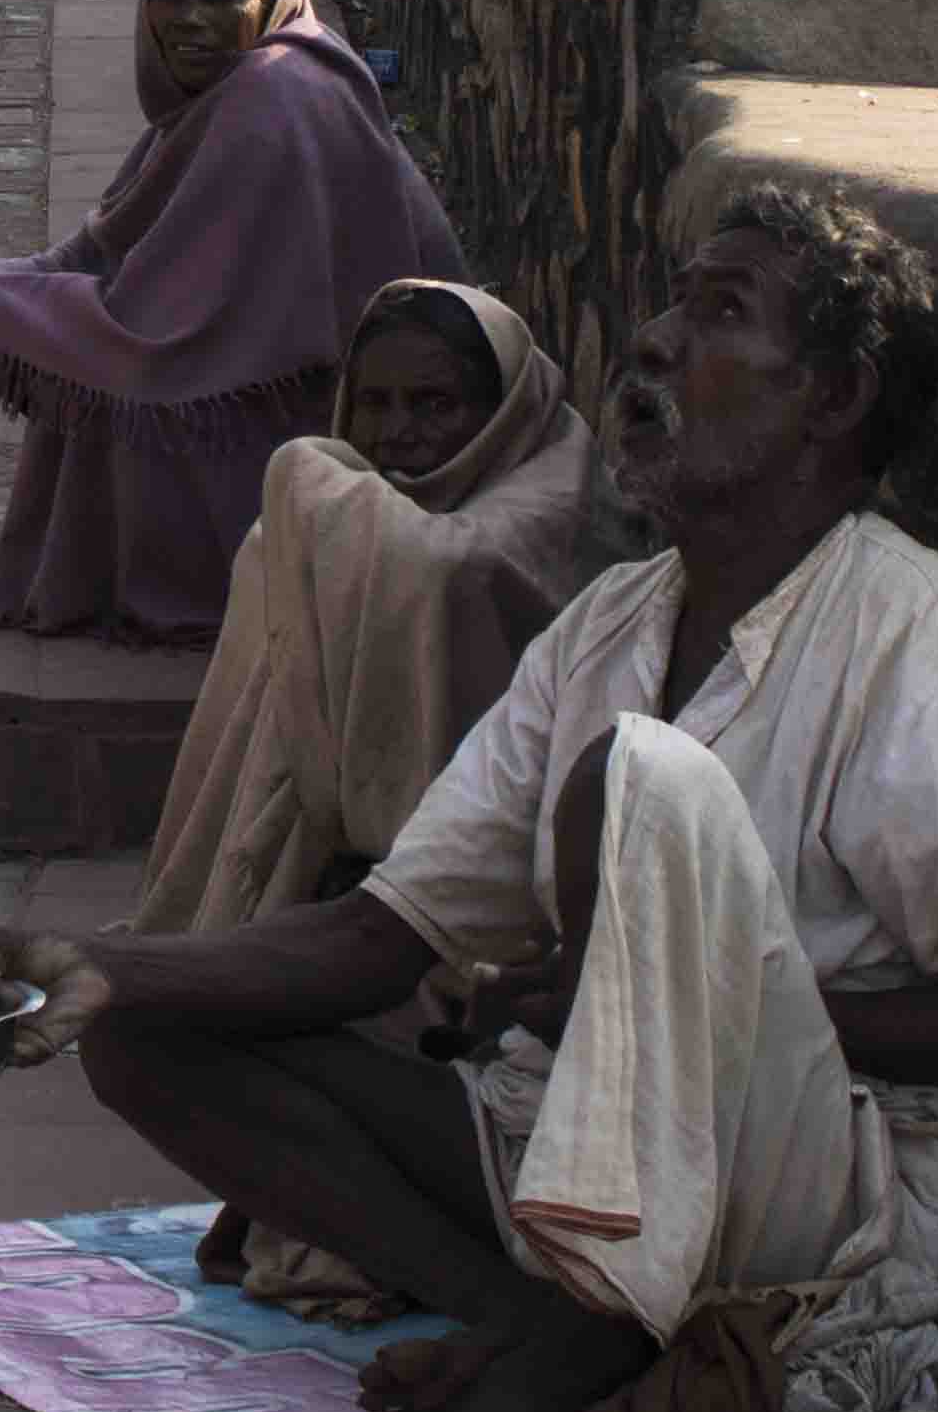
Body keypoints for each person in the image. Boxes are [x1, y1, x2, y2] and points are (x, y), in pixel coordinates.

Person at [0, 188, 938, 1412]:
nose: (657, 338)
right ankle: (535, 1325)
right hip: (578, 1155)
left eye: (718, 312)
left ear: (834, 398)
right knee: (145, 1032)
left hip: (836, 1192)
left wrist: (684, 1011)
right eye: (671, 300)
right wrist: (108, 966)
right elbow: (381, 938)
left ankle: (569, 1345)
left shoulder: (922, 638)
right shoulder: (609, 626)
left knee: (638, 777)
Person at [0, 0, 462, 649]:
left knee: (112, 374)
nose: (188, 20)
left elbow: (146, 322)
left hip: (355, 415)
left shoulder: (275, 98)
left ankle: (188, 573)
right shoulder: (225, 99)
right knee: (72, 338)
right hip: (296, 385)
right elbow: (103, 245)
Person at [136, 276, 597, 936]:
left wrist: (301, 471)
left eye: (434, 404)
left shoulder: (541, 512)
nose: (396, 432)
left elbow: (443, 568)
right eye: (373, 404)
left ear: (503, 412)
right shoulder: (318, 534)